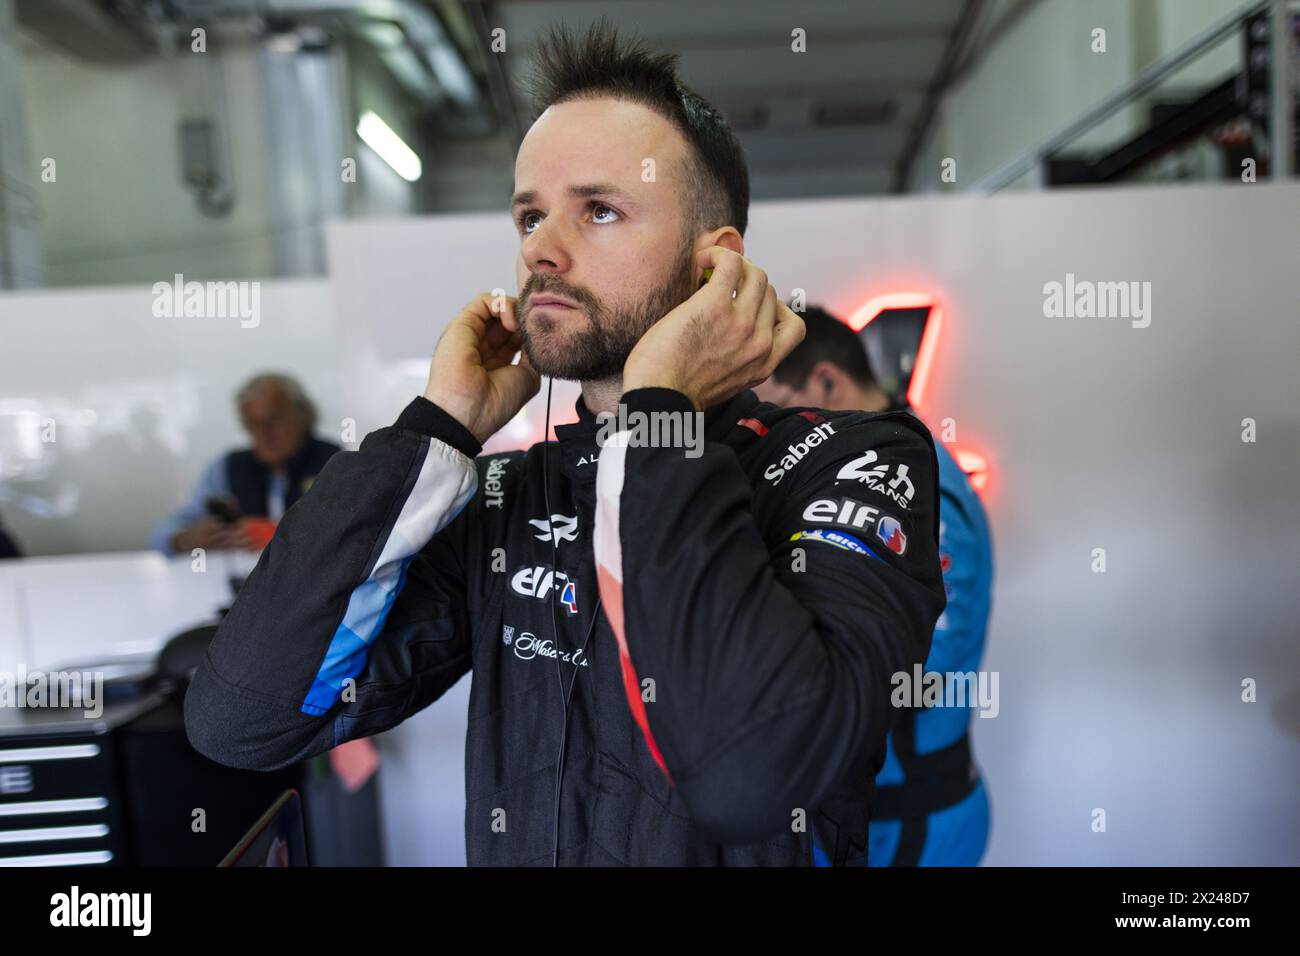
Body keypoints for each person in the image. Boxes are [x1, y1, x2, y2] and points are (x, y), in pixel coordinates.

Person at [184, 21, 946, 867]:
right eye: (529, 216)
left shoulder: (852, 460)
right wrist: (436, 428)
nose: (541, 249)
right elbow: (243, 719)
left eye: (600, 210)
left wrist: (659, 411)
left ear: (713, 269)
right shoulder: (513, 497)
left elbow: (752, 777)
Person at [755, 305, 994, 866]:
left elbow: (915, 668)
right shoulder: (866, 468)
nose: (764, 430)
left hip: (906, 825)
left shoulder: (919, 490)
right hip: (861, 816)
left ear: (826, 383)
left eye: (771, 407)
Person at [150, 373, 340, 555]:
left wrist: (281, 535)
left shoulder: (337, 462)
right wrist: (186, 539)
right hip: (241, 583)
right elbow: (162, 534)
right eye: (252, 424)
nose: (263, 434)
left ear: (303, 415)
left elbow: (356, 534)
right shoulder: (227, 467)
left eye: (273, 421)